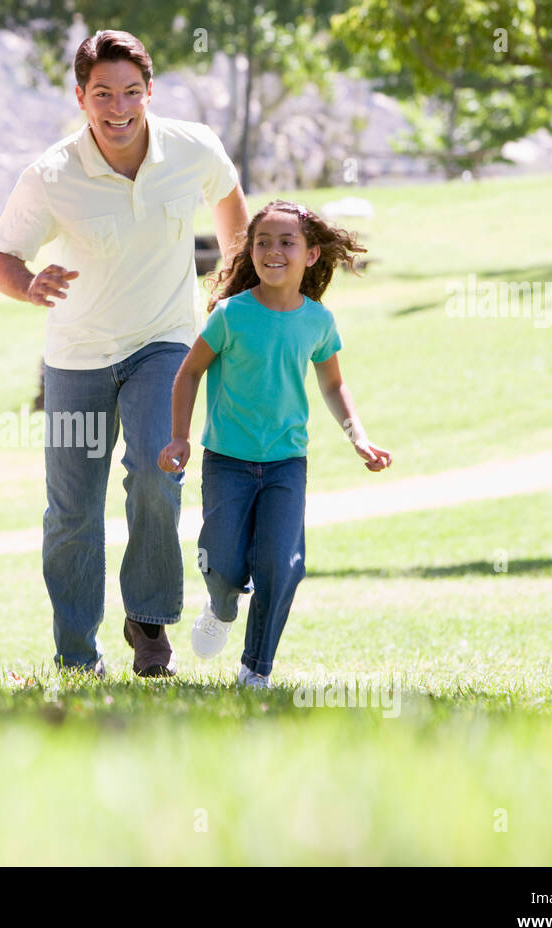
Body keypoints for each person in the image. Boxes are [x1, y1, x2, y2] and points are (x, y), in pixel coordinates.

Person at [0, 30, 248, 678]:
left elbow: (228, 195)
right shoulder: (50, 175)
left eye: (131, 91)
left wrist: (234, 287)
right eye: (102, 93)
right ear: (81, 97)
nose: (119, 107)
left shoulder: (193, 148)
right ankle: (78, 657)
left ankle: (149, 619)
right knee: (72, 511)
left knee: (160, 472)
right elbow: (1, 261)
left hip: (162, 344)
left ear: (150, 91)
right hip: (75, 359)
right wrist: (28, 284)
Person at [159, 200, 393, 688]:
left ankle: (255, 671)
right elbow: (189, 373)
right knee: (221, 564)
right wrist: (179, 437)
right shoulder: (231, 315)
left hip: (287, 464)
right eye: (263, 241)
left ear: (310, 255)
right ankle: (221, 606)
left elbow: (333, 385)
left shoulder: (317, 321)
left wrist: (359, 438)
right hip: (227, 462)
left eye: (287, 242)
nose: (273, 251)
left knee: (281, 564)